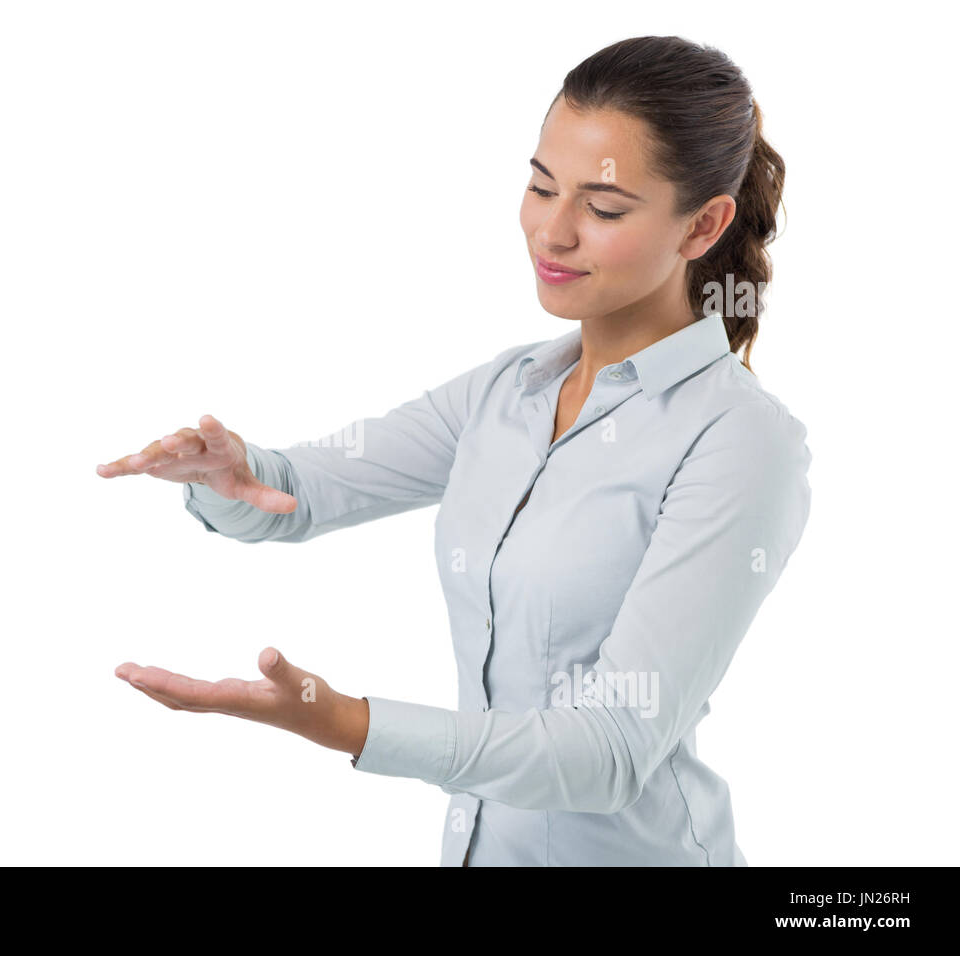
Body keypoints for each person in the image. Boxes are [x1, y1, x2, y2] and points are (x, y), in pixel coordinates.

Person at [97, 35, 811, 866]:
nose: (551, 231)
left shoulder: (739, 440)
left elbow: (611, 751)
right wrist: (227, 477)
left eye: (604, 209)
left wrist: (348, 723)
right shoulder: (510, 391)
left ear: (705, 225)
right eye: (540, 186)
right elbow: (293, 495)